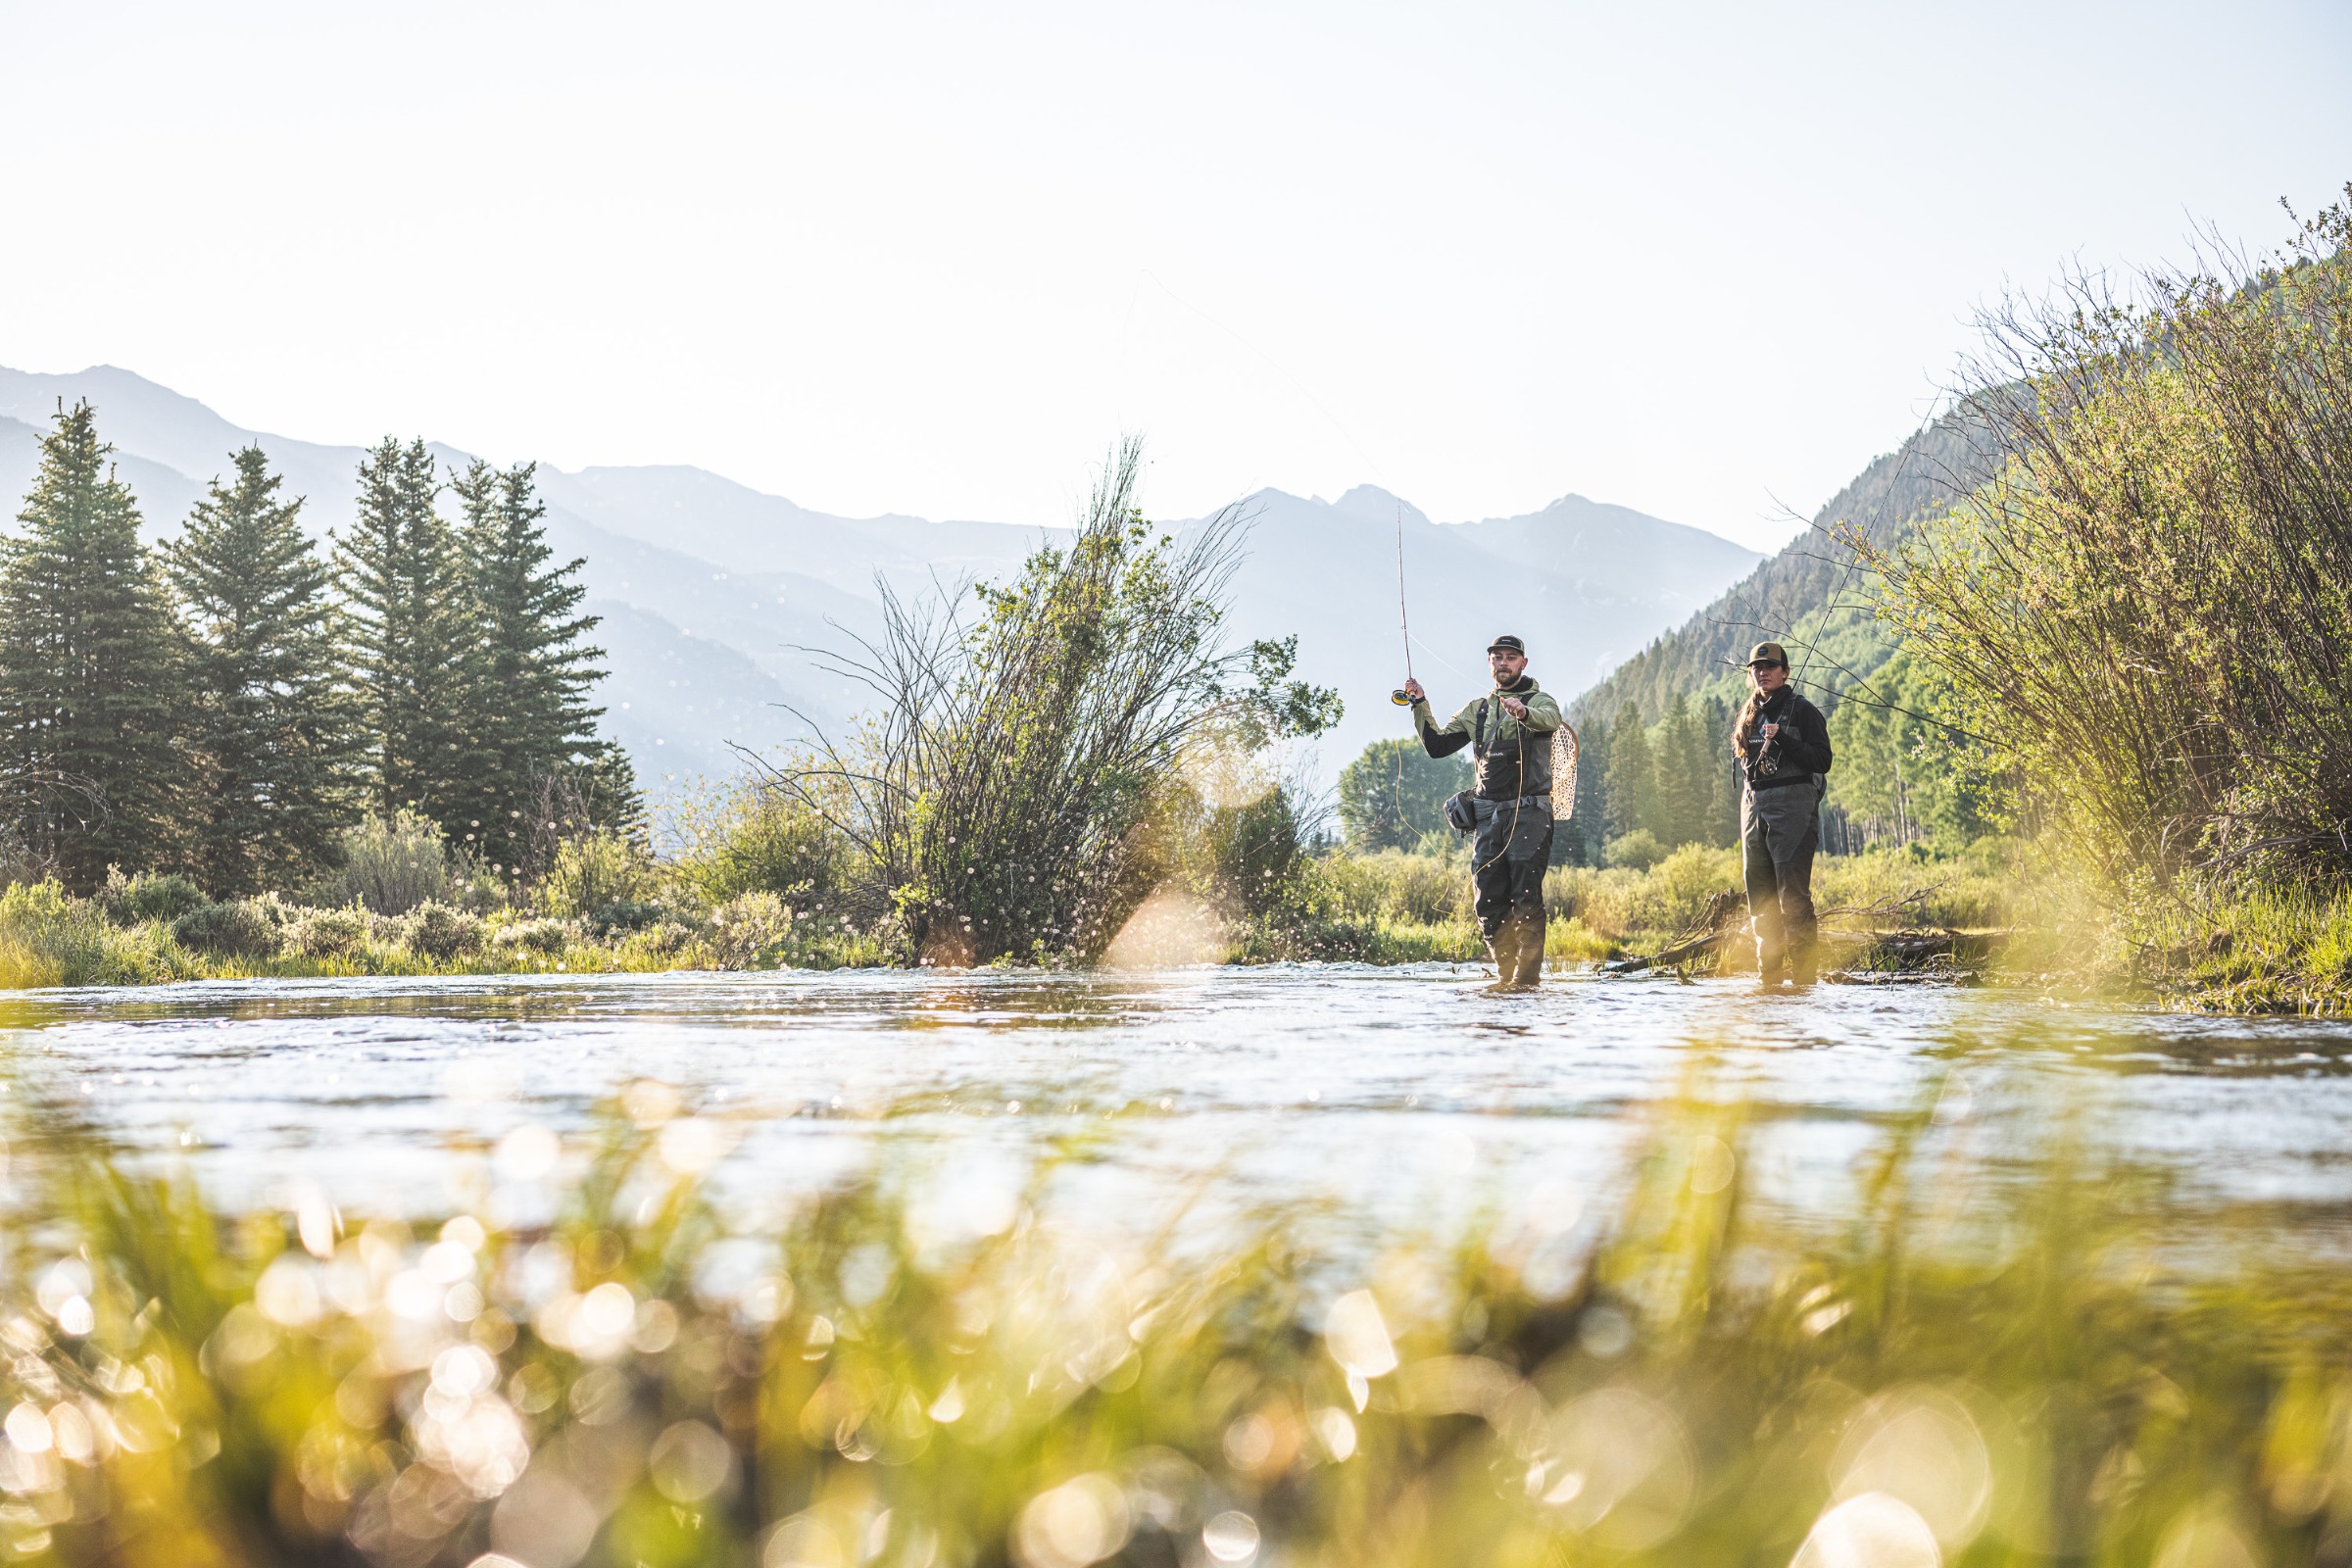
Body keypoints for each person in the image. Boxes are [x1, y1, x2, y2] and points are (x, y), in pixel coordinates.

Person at [1403, 634, 1560, 989]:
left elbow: (1550, 720)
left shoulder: (1541, 700)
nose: (1503, 663)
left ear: (1523, 664)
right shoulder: (1478, 710)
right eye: (1497, 658)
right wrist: (1419, 703)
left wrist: (1524, 712)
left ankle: (1527, 979)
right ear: (1489, 663)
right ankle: (1506, 975)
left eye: (1510, 658)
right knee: (1487, 900)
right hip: (1488, 817)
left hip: (1530, 813)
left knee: (1525, 896)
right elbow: (1437, 746)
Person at [1732, 641, 1834, 986]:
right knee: (1760, 898)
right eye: (1757, 668)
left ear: (1785, 672)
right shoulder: (1747, 712)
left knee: (1793, 897)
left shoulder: (1803, 710)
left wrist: (1785, 740)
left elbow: (1823, 761)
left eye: (1771, 666)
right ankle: (1769, 981)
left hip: (1793, 809)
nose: (1763, 672)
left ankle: (1805, 980)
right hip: (1753, 807)